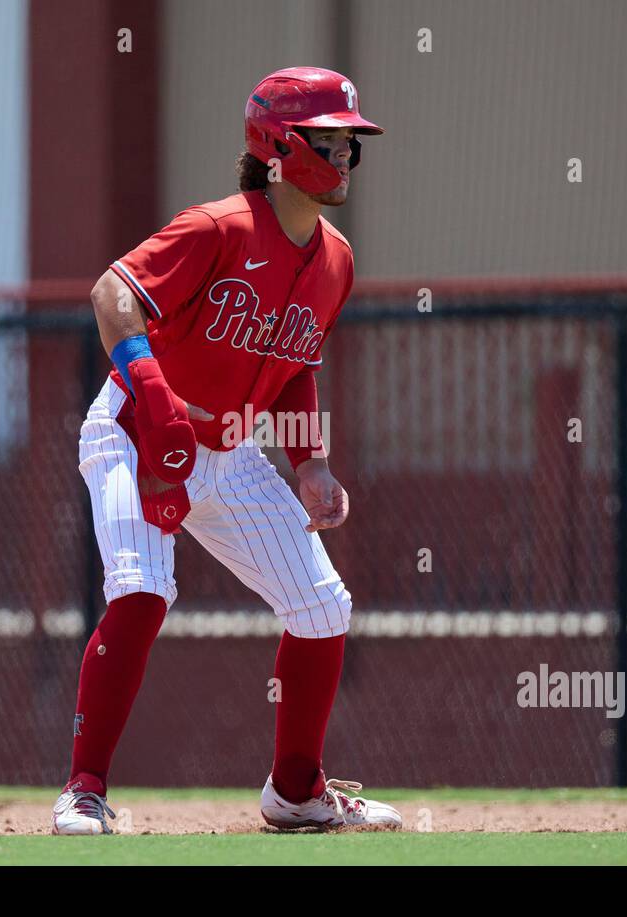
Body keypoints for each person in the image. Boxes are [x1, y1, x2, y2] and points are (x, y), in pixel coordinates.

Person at [51, 67, 400, 834]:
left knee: (321, 610)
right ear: (278, 148)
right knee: (141, 592)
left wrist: (309, 462)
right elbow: (113, 295)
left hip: (233, 450)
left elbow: (295, 363)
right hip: (138, 432)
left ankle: (296, 792)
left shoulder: (335, 258)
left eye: (351, 146)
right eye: (329, 142)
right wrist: (152, 391)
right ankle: (84, 790)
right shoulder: (219, 227)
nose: (344, 159)